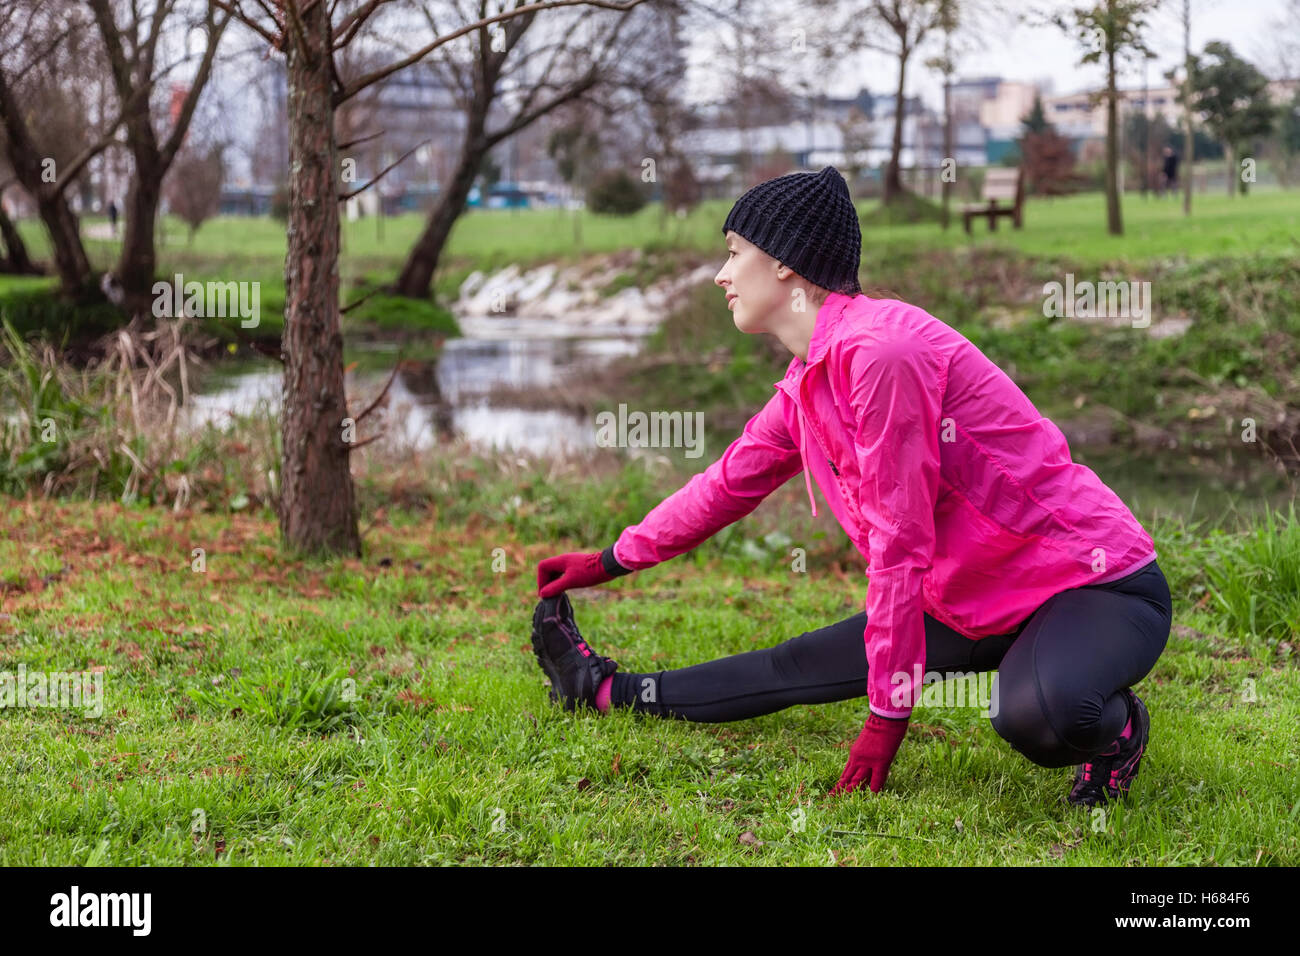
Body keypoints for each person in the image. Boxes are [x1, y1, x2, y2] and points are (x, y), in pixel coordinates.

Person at [531, 165, 1172, 806]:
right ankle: (603, 690)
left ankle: (1115, 731)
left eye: (733, 253)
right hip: (972, 597)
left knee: (1036, 715)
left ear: (783, 264)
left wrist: (885, 718)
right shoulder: (810, 380)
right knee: (795, 665)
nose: (722, 275)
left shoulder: (883, 355)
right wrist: (609, 560)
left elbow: (901, 541)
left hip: (1094, 583)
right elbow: (726, 485)